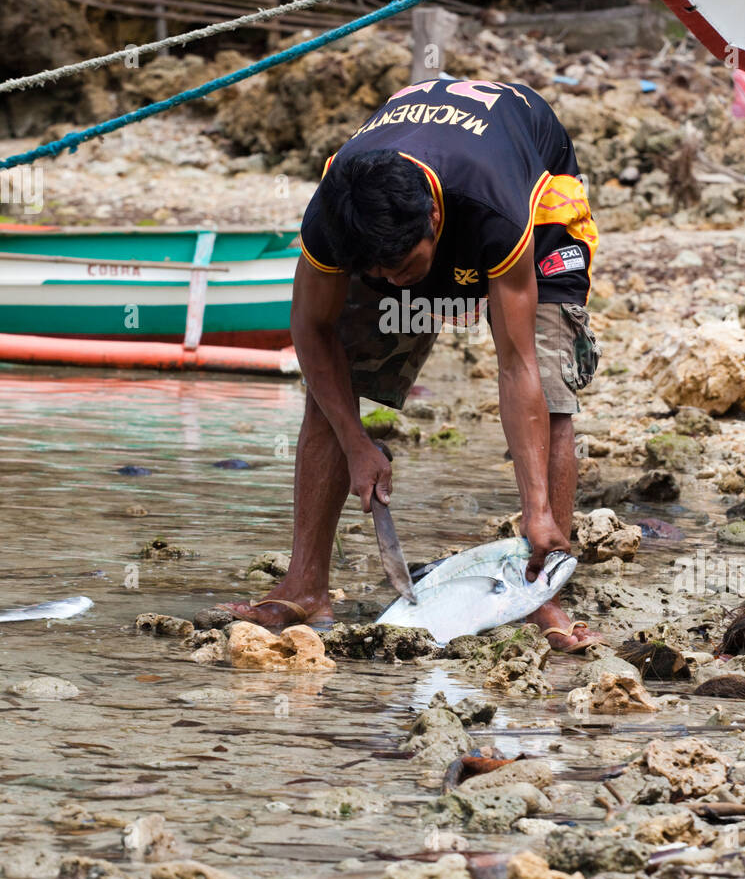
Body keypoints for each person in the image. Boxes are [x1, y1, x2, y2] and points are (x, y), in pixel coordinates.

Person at [223, 77, 600, 652]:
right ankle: (305, 587)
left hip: (533, 202)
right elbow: (312, 331)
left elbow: (517, 361)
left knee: (548, 395)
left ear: (429, 220)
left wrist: (536, 509)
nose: (392, 282)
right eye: (377, 273)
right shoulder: (334, 213)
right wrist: (356, 443)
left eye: (402, 266)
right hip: (407, 206)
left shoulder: (495, 207)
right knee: (330, 392)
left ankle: (539, 591)